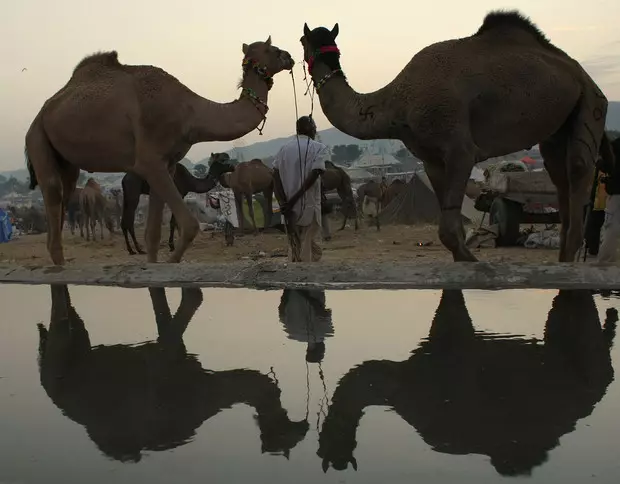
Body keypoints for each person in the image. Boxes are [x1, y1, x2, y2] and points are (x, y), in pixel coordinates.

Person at [273, 116, 329, 262]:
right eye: (315, 128)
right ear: (311, 129)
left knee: (294, 246)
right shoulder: (318, 148)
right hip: (308, 207)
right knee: (308, 248)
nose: (316, 130)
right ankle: (306, 280)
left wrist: (283, 203)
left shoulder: (283, 150)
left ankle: (294, 279)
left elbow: (276, 177)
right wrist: (292, 201)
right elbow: (316, 173)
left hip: (288, 211)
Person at [597, 137, 620, 263]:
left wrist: (599, 163)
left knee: (611, 228)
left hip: (616, 193)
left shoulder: (615, 146)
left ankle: (606, 260)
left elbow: (606, 166)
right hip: (616, 191)